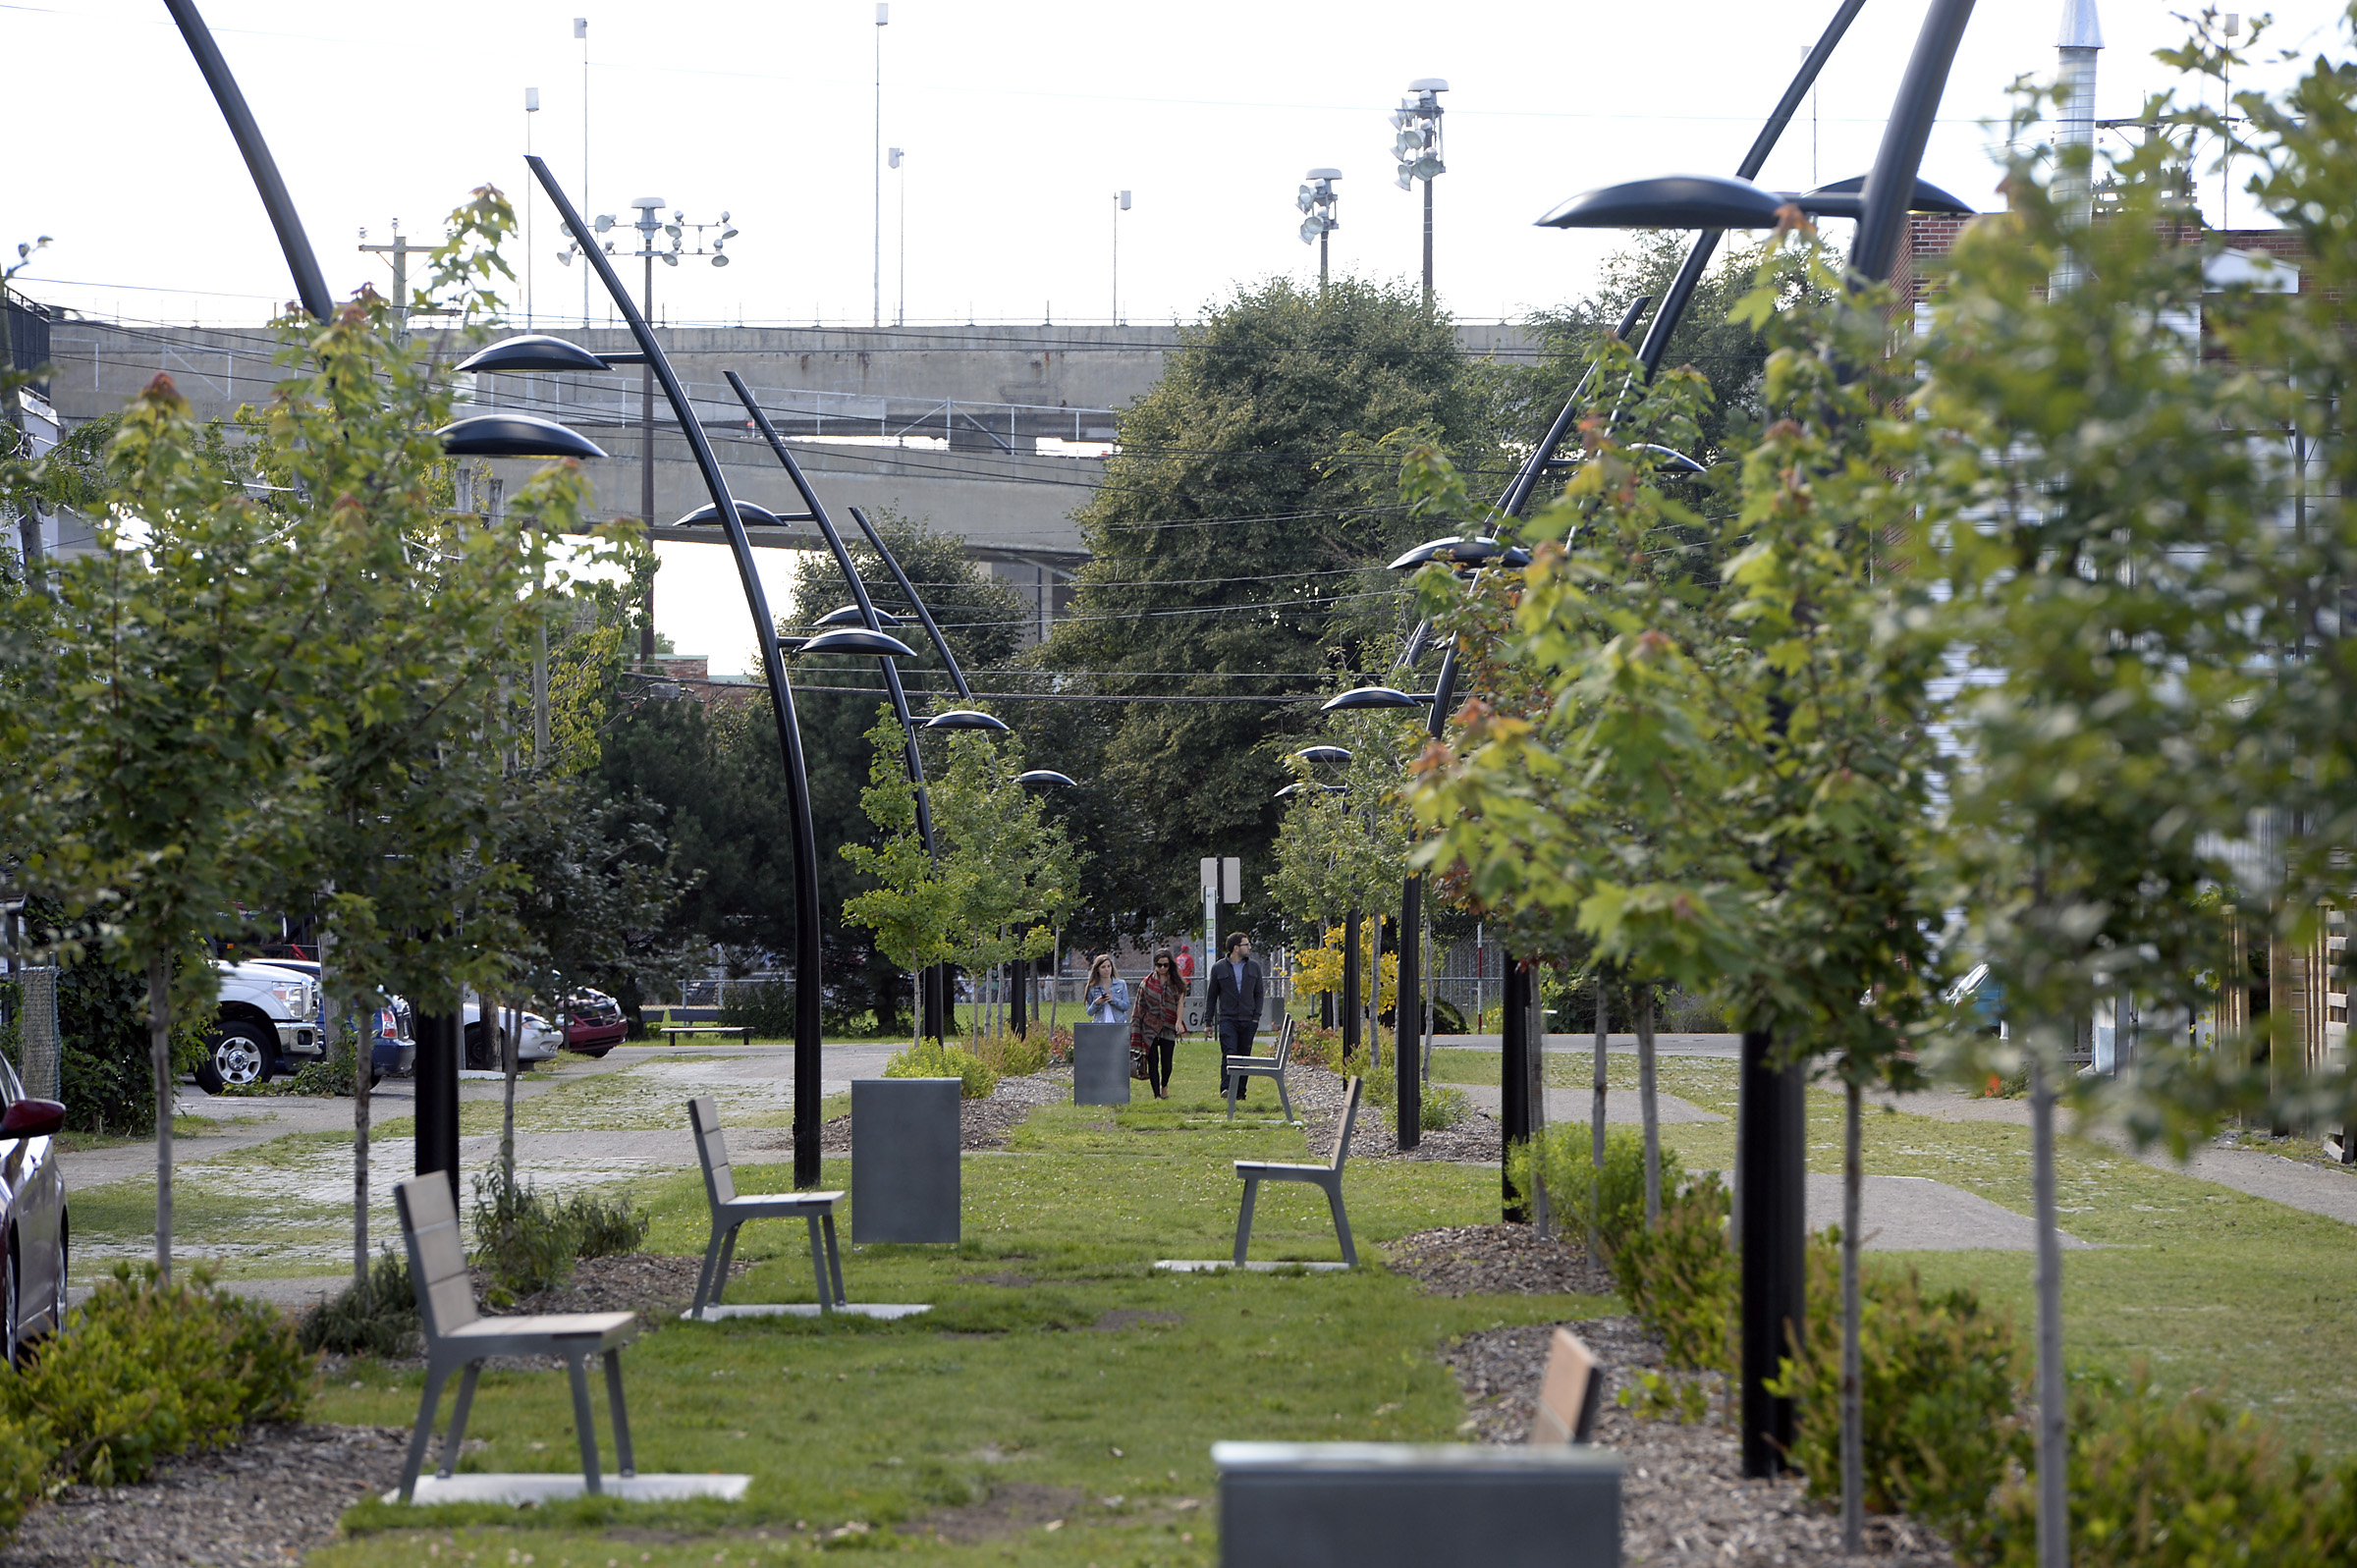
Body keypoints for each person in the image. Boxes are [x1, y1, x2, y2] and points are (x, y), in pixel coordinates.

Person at [1206, 931, 1264, 1101]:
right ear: (1236, 948)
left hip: (1248, 1019)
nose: (1249, 947)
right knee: (1229, 1052)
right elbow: (1212, 996)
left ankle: (1240, 1093)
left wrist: (1256, 1017)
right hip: (1228, 1018)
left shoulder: (1254, 967)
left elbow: (1259, 993)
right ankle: (1227, 1088)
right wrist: (1208, 1022)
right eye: (1246, 944)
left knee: (1244, 1055)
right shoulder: (1218, 968)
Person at [1129, 949, 1188, 1099]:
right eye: (1159, 965)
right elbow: (1139, 1006)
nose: (1162, 968)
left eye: (1165, 965)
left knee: (1167, 1064)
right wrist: (1136, 1026)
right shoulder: (1146, 983)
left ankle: (1164, 1085)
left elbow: (1180, 1004)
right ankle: (1156, 1095)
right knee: (1153, 1062)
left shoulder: (1177, 983)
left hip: (1168, 1026)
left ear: (1170, 965)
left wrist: (1178, 1022)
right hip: (1149, 1027)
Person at [1083, 953, 1129, 1024]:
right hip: (1100, 1024)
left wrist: (1113, 1000)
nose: (1107, 969)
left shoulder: (1121, 984)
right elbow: (1089, 1012)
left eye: (1109, 966)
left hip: (1118, 1024)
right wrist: (1096, 1003)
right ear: (1097, 969)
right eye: (1103, 967)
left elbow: (1126, 1006)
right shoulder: (1092, 987)